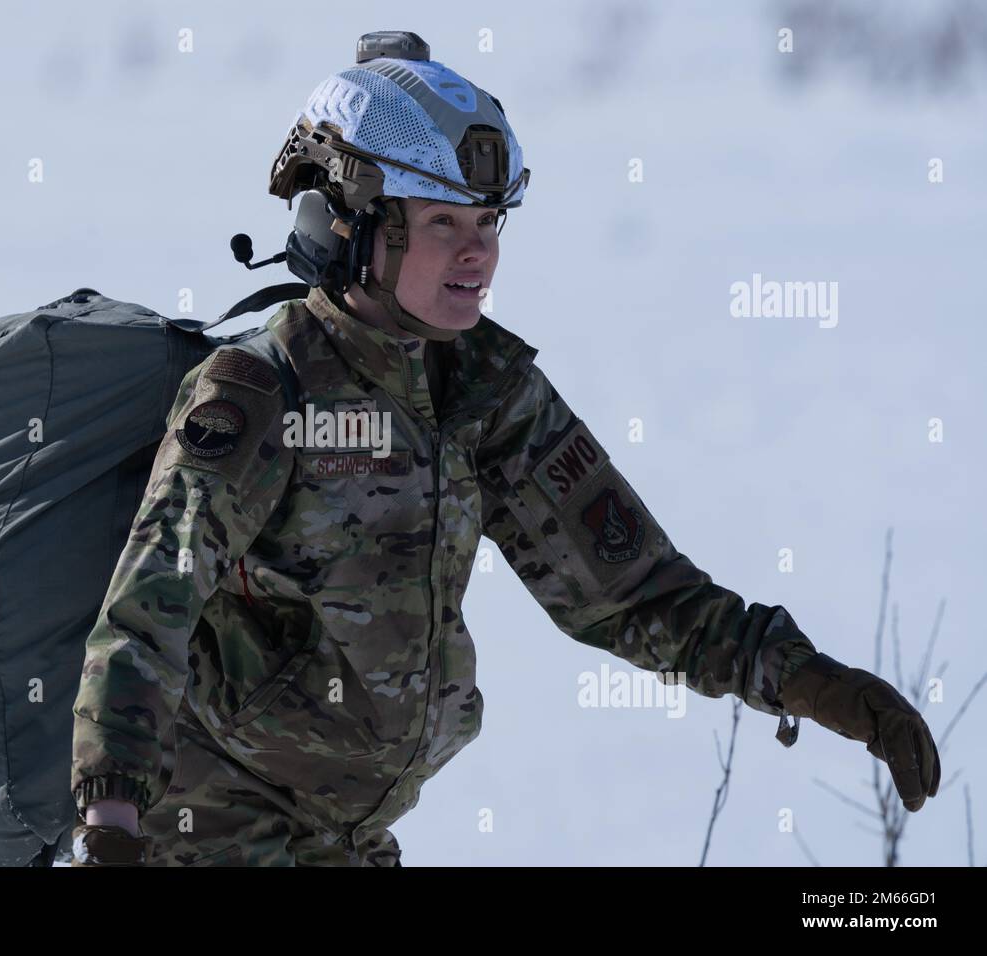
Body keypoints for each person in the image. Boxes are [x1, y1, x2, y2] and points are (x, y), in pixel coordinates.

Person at [69, 32, 939, 867]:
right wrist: (111, 821)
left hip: (349, 836)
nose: (478, 253)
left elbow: (631, 592)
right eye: (443, 221)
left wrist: (811, 683)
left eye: (489, 220)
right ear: (354, 227)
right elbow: (149, 611)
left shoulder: (489, 392)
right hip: (207, 828)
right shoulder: (264, 392)